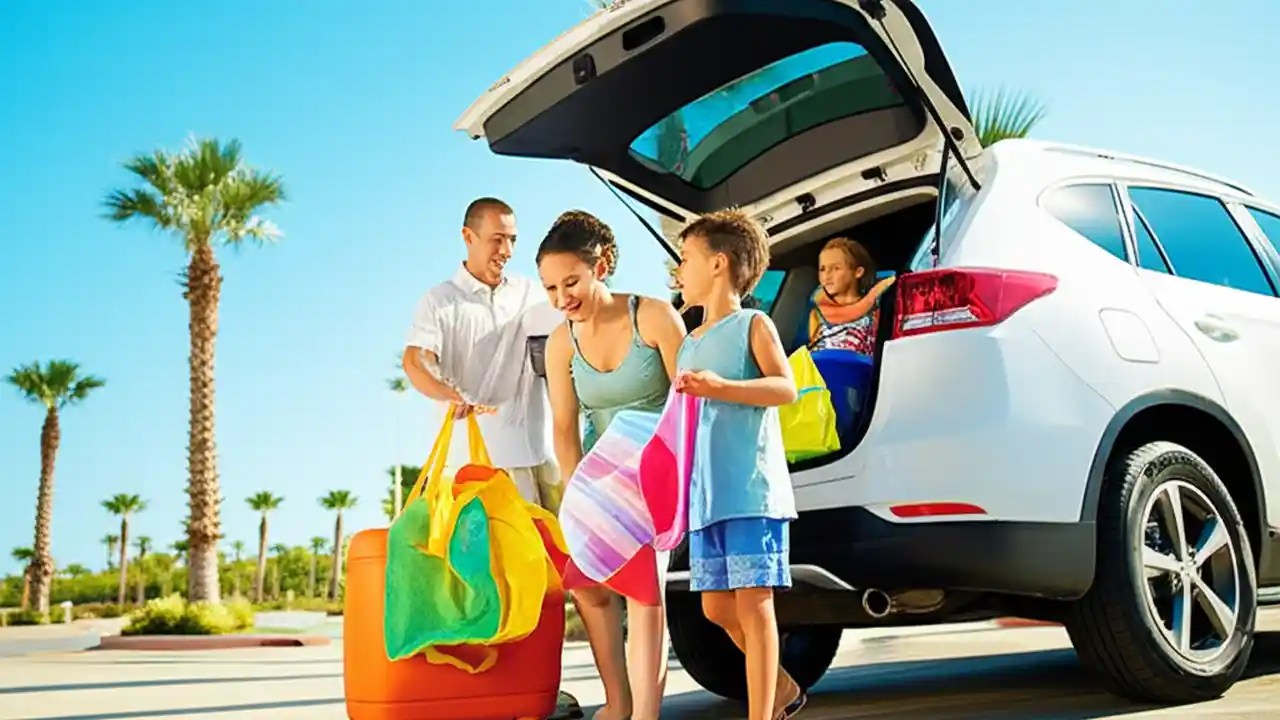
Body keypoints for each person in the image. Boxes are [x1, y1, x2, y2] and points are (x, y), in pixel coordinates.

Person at [401, 197, 579, 719]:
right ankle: (497, 693)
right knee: (487, 582)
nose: (506, 249)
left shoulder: (530, 293)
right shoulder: (440, 301)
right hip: (470, 470)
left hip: (531, 456)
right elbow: (416, 361)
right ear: (468, 237)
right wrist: (449, 395)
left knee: (547, 581)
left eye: (513, 240)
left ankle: (541, 687)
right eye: (497, 238)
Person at [537, 210, 686, 720]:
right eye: (551, 288)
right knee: (589, 587)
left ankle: (645, 712)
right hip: (599, 480)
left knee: (643, 592)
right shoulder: (562, 341)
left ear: (602, 265)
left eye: (571, 282)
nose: (562, 299)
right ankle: (617, 703)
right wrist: (574, 497)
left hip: (657, 472)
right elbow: (563, 425)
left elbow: (690, 405)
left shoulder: (654, 315)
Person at [672, 209, 806, 720]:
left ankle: (761, 714)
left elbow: (784, 387)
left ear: (719, 264)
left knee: (754, 606)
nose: (679, 270)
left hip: (751, 489)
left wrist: (720, 387)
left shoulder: (754, 323)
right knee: (715, 608)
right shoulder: (689, 342)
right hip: (707, 497)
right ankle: (784, 690)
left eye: (686, 258)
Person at [807, 237, 896, 355]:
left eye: (835, 268)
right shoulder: (817, 315)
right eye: (822, 269)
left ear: (858, 272)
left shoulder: (876, 311)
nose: (826, 276)